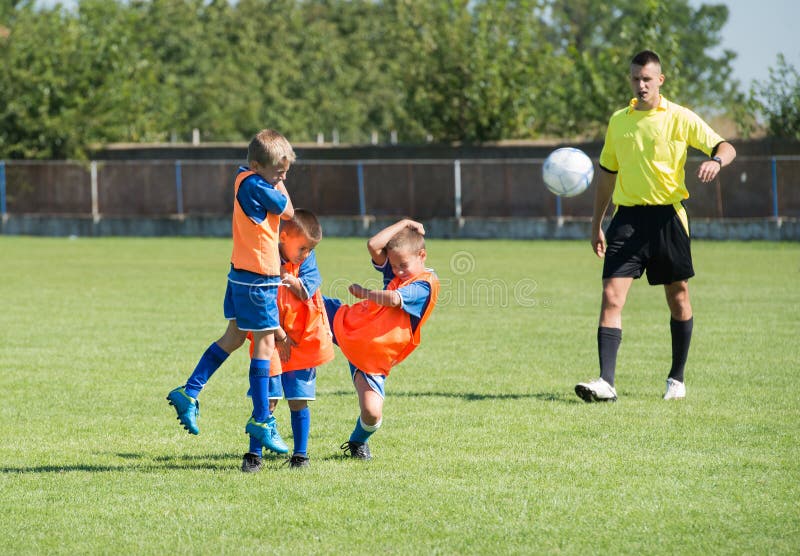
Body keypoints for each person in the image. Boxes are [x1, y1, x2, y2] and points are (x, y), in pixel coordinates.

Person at [575, 50, 736, 403]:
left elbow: (725, 146)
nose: (641, 84)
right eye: (635, 78)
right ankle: (606, 382)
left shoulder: (679, 117)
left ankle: (676, 379)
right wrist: (596, 223)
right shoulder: (619, 121)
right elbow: (606, 175)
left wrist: (717, 162)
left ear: (660, 80)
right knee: (611, 296)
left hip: (668, 218)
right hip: (627, 220)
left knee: (677, 296)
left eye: (647, 78)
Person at [166, 129, 296, 473]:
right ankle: (262, 419)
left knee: (234, 338)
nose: (282, 178)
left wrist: (277, 172)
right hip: (259, 278)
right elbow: (288, 210)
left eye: (286, 173)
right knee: (264, 346)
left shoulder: (244, 177)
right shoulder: (257, 185)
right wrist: (279, 183)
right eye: (278, 172)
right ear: (257, 165)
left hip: (241, 274)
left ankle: (188, 392)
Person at [324, 219, 439, 460]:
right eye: (394, 265)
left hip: (371, 359)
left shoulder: (425, 285)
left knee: (372, 413)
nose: (396, 271)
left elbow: (395, 299)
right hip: (348, 325)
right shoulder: (400, 267)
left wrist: (365, 293)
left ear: (422, 255)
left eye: (403, 265)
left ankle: (357, 442)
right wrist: (405, 223)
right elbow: (374, 245)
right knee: (305, 304)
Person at [244, 209, 335, 469]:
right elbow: (259, 302)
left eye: (310, 249)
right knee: (268, 398)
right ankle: (254, 454)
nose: (306, 254)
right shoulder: (265, 257)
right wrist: (278, 335)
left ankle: (300, 454)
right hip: (270, 340)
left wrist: (292, 280)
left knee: (298, 399)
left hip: (302, 340)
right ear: (283, 237)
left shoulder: (307, 260)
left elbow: (308, 290)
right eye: (303, 248)